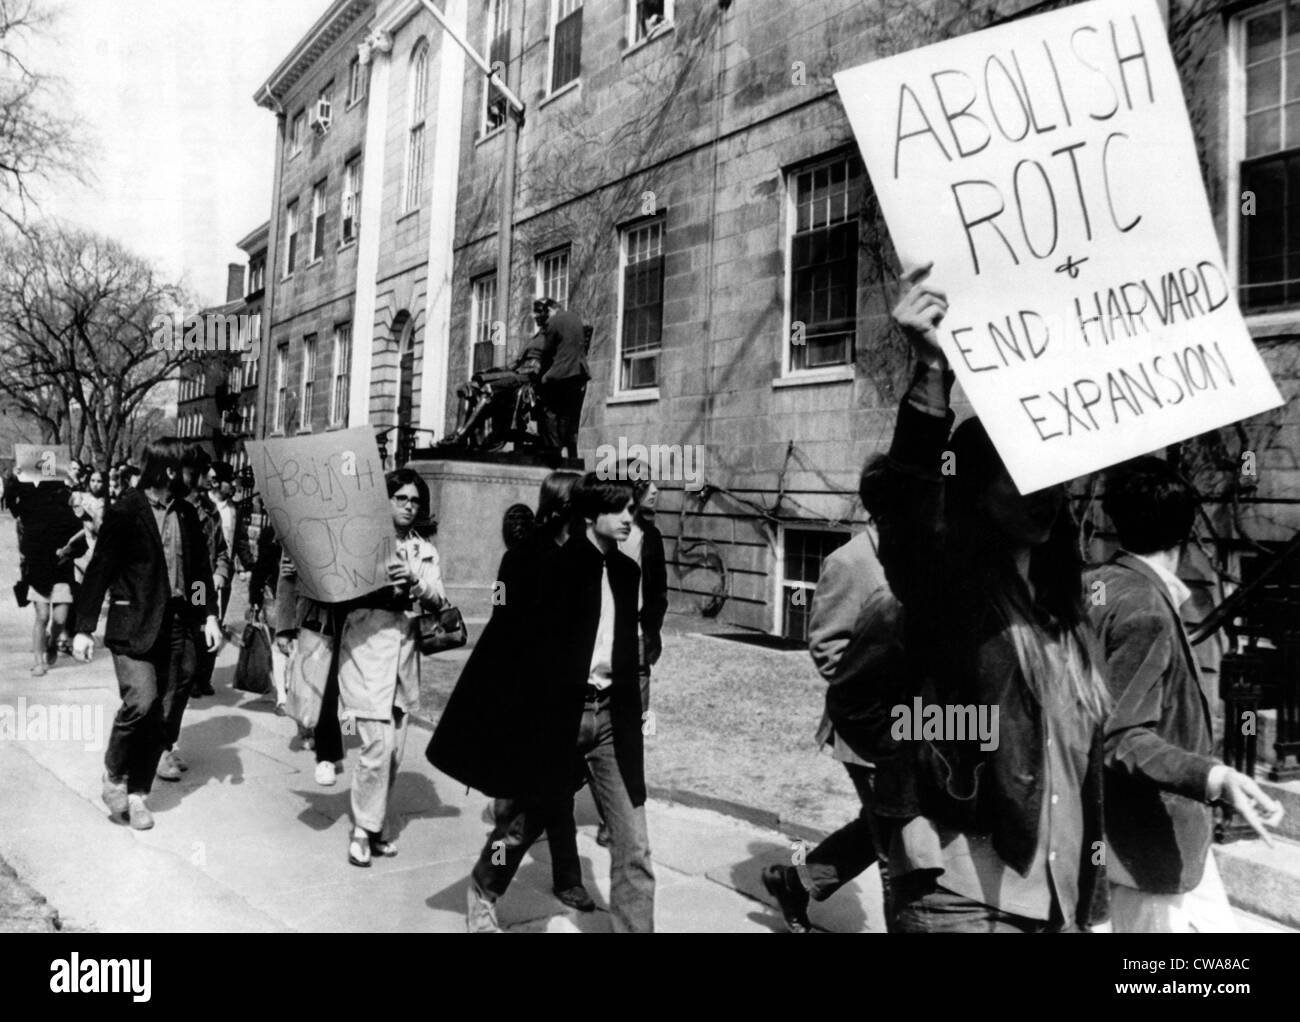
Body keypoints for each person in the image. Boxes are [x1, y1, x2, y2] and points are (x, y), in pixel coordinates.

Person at [877, 263, 1111, 933]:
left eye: (1050, 474)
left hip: (1056, 903)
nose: (1042, 491)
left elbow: (1081, 761)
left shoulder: (1068, 610)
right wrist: (931, 372)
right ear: (979, 487)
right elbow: (909, 513)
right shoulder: (952, 591)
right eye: (1019, 474)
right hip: (966, 900)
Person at [433, 474, 654, 932]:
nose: (630, 518)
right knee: (517, 830)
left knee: (634, 846)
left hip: (610, 719)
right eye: (621, 510)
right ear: (591, 515)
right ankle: (483, 886)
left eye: (634, 510)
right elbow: (516, 644)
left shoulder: (628, 572)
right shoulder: (550, 566)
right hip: (557, 719)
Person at [1089, 458, 1284, 933]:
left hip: (1140, 844)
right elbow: (1121, 735)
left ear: (1114, 520)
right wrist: (1213, 776)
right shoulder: (1145, 610)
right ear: (1188, 527)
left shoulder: (1097, 585)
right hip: (1148, 849)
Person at [762, 457, 905, 932]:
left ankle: (796, 882)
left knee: (884, 828)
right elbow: (826, 647)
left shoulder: (924, 556)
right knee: (898, 849)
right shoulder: (851, 561)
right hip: (869, 731)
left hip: (920, 727)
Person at [70, 440, 223, 830]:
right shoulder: (126, 511)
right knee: (142, 701)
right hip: (133, 625)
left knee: (164, 712)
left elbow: (199, 574)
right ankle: (114, 771)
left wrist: (206, 615)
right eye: (189, 471)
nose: (196, 479)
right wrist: (84, 629)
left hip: (175, 625)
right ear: (170, 471)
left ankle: (138, 794)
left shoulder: (187, 514)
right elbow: (100, 569)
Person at [336, 468, 447, 866]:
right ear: (385, 500)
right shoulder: (361, 542)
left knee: (394, 752)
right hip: (364, 650)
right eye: (400, 498)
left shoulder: (424, 551)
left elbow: (437, 598)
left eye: (415, 501)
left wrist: (415, 581)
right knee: (376, 745)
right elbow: (336, 587)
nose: (408, 506)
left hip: (403, 657)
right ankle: (363, 831)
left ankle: (377, 823)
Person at [9, 475, 82, 676]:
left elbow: (81, 545)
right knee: (42, 616)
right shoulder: (33, 516)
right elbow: (25, 547)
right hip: (39, 573)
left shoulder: (70, 518)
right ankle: (38, 661)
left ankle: (51, 641)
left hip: (62, 573)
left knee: (59, 619)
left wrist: (69, 551)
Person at [534, 298, 590, 464]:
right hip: (579, 374)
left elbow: (547, 352)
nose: (544, 317)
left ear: (551, 309)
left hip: (561, 373)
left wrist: (542, 376)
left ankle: (552, 450)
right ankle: (567, 448)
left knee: (547, 409)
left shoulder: (553, 322)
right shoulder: (575, 318)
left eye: (545, 313)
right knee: (567, 413)